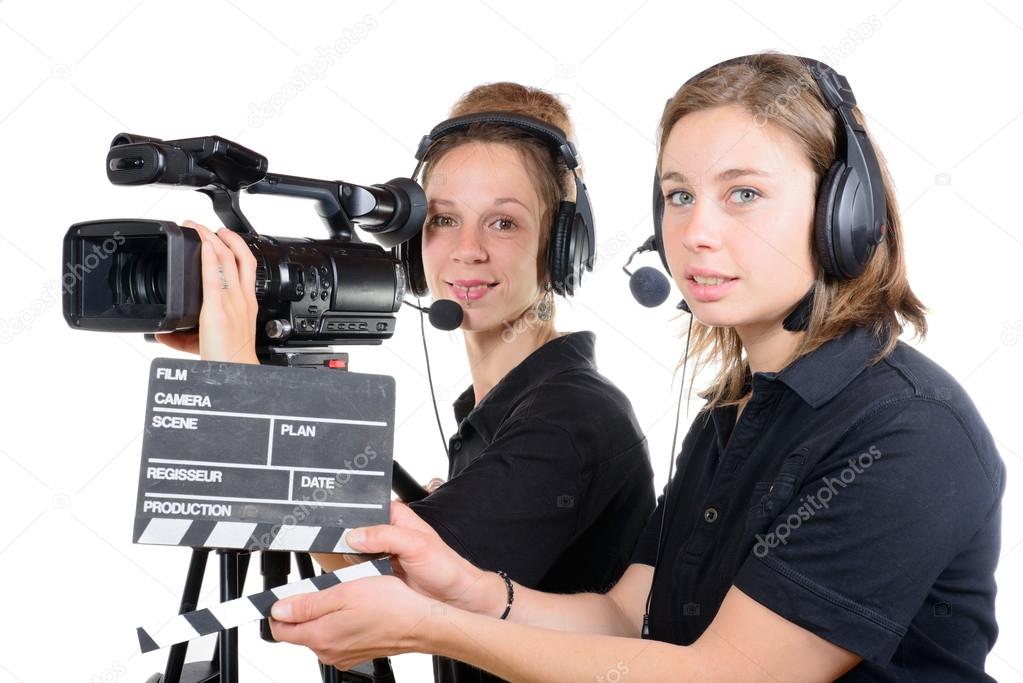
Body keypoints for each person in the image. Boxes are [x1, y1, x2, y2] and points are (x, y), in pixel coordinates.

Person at [268, 54, 1006, 682]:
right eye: (679, 196)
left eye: (744, 194)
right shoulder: (730, 417)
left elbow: (724, 676)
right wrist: (468, 589)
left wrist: (430, 625)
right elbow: (627, 617)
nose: (696, 232)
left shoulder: (907, 430)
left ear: (843, 215)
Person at [159, 82, 656, 683]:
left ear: (560, 248)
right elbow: (371, 564)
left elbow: (385, 586)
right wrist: (257, 370)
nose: (467, 250)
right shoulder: (505, 407)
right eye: (443, 219)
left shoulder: (571, 417)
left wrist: (243, 386)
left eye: (503, 222)